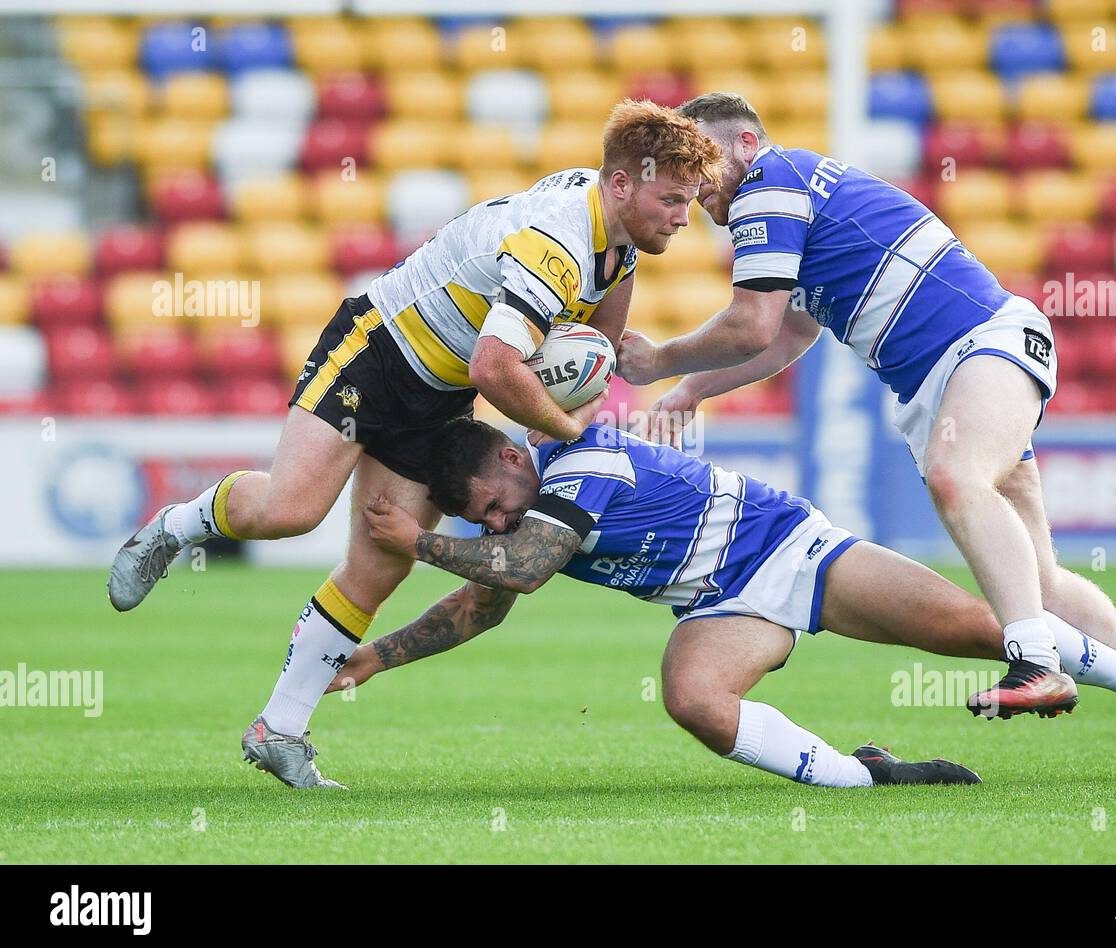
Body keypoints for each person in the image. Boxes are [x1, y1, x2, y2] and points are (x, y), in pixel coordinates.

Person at [106, 99, 724, 788]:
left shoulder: (616, 238)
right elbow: (496, 366)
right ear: (620, 184)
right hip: (377, 351)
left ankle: (278, 729)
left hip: (438, 393)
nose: (683, 215)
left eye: (689, 202)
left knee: (382, 560)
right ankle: (171, 529)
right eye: (672, 199)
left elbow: (600, 352)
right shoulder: (558, 243)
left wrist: (592, 371)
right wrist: (570, 430)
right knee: (290, 510)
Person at [615, 93, 1116, 774]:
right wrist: (691, 389)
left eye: (706, 159)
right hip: (955, 374)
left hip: (980, 344)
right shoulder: (795, 199)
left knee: (956, 477)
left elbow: (751, 325)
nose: (698, 181)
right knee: (1038, 580)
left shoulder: (769, 184)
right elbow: (787, 337)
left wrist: (658, 362)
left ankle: (1037, 662)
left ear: (744, 142)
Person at [322, 418, 1116, 791]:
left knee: (995, 630)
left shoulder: (580, 465)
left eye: (490, 502)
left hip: (793, 549)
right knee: (692, 697)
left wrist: (419, 544)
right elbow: (486, 602)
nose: (493, 521)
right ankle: (868, 775)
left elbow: (515, 567)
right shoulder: (527, 509)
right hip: (718, 604)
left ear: (513, 458)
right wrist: (381, 653)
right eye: (481, 517)